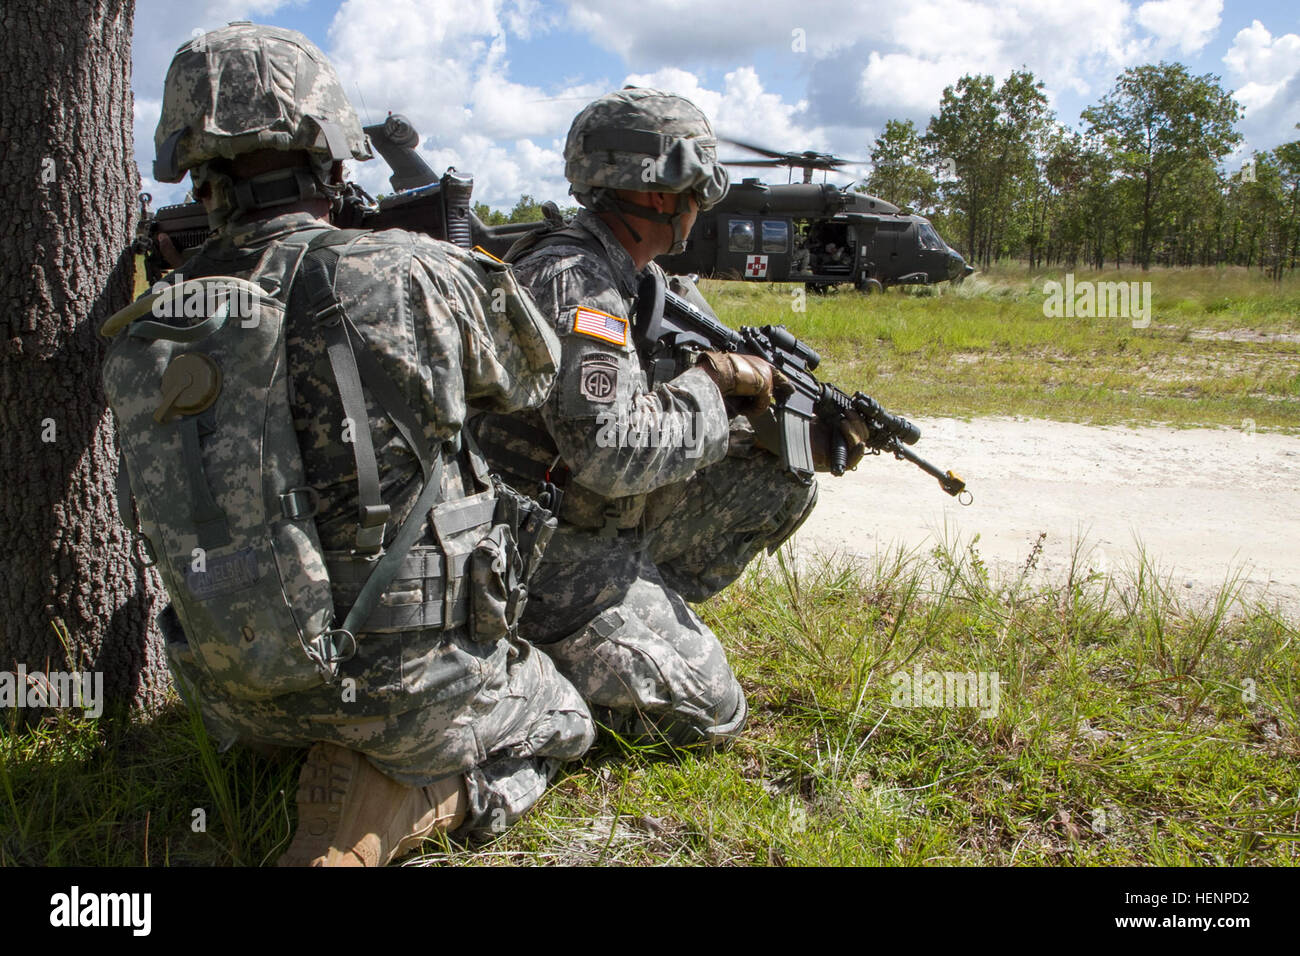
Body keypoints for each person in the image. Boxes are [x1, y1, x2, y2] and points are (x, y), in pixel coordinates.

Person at [118, 23, 594, 866]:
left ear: (194, 169)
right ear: (334, 157)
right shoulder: (414, 271)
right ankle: (409, 797)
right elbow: (530, 381)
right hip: (407, 690)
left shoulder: (160, 316)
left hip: (233, 694)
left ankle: (307, 750)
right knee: (566, 718)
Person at [471, 88, 869, 749]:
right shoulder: (577, 283)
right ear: (661, 193)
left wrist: (782, 425)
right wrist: (712, 387)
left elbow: (661, 421)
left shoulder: (640, 279)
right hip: (544, 560)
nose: (704, 203)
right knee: (716, 711)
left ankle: (638, 616)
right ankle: (532, 674)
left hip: (594, 520)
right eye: (699, 185)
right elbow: (611, 449)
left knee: (782, 480)